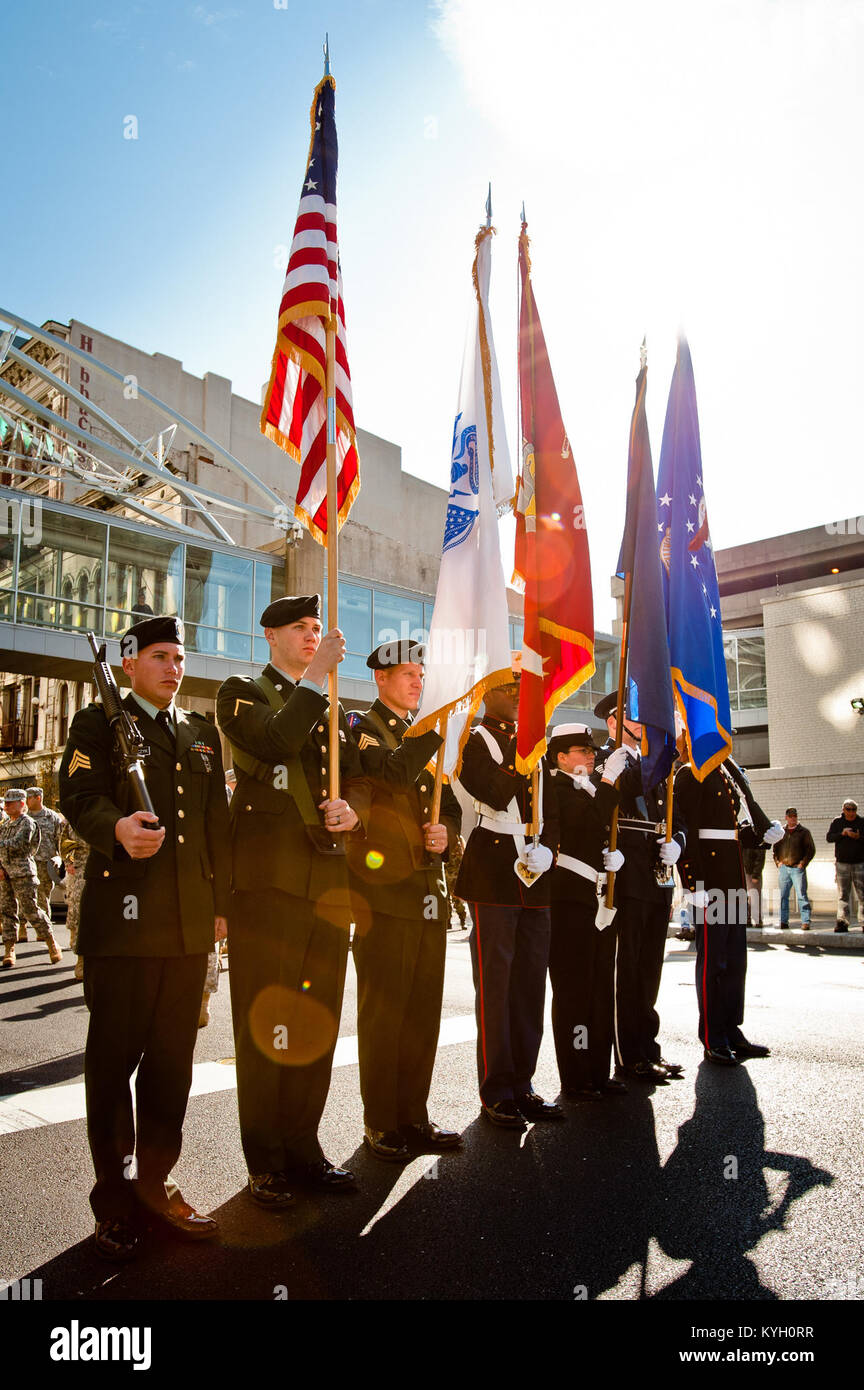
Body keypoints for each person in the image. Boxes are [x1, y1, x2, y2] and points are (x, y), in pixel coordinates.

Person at [216, 596, 440, 1208]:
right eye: (300, 628)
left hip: (327, 885)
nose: (313, 636)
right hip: (267, 883)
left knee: (314, 1024)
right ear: (270, 635)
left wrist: (353, 810)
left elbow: (367, 781)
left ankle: (304, 1148)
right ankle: (266, 1160)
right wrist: (316, 681)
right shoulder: (241, 691)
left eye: (317, 628)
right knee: (270, 1026)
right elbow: (270, 740)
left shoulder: (336, 711)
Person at [59, 614, 230, 1261]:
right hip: (124, 927)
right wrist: (116, 827)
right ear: (129, 663)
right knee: (112, 1068)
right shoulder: (97, 723)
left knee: (170, 1070)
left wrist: (220, 911)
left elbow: (214, 824)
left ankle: (158, 1186)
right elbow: (75, 793)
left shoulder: (198, 731)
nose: (173, 667)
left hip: (187, 930)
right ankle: (116, 1198)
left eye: (179, 657)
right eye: (160, 656)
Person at [347, 640, 462, 1162]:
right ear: (380, 679)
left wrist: (446, 833)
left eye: (421, 673)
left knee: (421, 1013)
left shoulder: (421, 736)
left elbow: (450, 806)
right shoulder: (362, 728)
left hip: (428, 893)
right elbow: (390, 773)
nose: (418, 682)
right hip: (385, 896)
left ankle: (414, 1114)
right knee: (385, 1013)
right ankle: (381, 1121)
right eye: (409, 674)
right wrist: (433, 727)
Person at [454, 666, 563, 1129]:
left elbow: (551, 809)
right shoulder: (474, 740)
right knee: (495, 987)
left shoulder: (531, 743)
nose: (520, 695)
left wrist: (551, 851)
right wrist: (524, 751)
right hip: (494, 867)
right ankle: (496, 1088)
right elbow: (495, 793)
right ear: (485, 693)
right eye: (510, 687)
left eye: (523, 688)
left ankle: (524, 1081)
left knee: (529, 983)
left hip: (534, 872)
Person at [593, 693, 687, 1083]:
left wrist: (677, 841)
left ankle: (648, 1047)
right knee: (626, 967)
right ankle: (628, 1054)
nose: (643, 724)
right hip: (626, 874)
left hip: (656, 872)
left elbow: (675, 815)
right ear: (613, 724)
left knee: (650, 967)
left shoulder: (658, 763)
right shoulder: (604, 762)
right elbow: (600, 808)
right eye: (633, 718)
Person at [675, 753, 784, 1065]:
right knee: (714, 962)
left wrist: (762, 836)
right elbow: (688, 831)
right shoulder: (691, 773)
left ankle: (732, 1030)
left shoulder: (727, 774)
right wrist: (693, 883)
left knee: (735, 962)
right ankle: (713, 1036)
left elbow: (731, 831)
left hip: (732, 880)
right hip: (710, 883)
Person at [546, 723, 630, 1100]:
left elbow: (603, 826)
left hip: (598, 895)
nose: (591, 755)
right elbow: (587, 821)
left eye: (591, 749)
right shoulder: (555, 787)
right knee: (574, 989)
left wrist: (615, 856)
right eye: (582, 750)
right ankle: (576, 1074)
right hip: (570, 899)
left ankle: (599, 1069)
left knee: (600, 985)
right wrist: (610, 783)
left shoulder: (591, 788)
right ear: (562, 757)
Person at [0, 790, 63, 967]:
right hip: (6, 874)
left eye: (10, 803)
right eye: (6, 803)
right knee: (7, 912)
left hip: (23, 874)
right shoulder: (5, 825)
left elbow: (19, 844)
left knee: (31, 910)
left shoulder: (28, 823)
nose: (6, 806)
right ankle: (9, 950)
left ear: (21, 804)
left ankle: (51, 941)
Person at [24, 786, 66, 928]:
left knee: (43, 896)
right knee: (24, 895)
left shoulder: (52, 816)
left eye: (29, 797)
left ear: (38, 798)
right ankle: (23, 928)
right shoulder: (24, 818)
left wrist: (60, 859)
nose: (27, 801)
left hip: (45, 863)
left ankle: (44, 929)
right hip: (27, 862)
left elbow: (60, 839)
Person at [773, 808, 815, 930]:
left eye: (794, 816)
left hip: (797, 868)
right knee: (783, 896)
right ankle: (783, 921)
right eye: (790, 816)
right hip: (784, 868)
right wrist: (778, 863)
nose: (793, 818)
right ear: (786, 817)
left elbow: (810, 849)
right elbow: (775, 849)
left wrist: (802, 863)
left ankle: (805, 921)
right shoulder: (781, 832)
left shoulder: (804, 832)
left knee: (801, 895)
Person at [826, 797, 864, 933]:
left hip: (859, 862)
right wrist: (842, 834)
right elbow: (829, 838)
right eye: (848, 809)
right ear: (843, 810)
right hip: (842, 863)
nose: (851, 812)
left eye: (854, 809)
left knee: (862, 894)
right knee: (843, 894)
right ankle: (842, 922)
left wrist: (857, 837)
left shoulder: (861, 822)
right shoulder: (837, 822)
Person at [59, 820, 89, 981]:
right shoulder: (73, 818)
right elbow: (64, 843)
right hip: (80, 870)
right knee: (79, 912)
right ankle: (81, 959)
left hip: (107, 868)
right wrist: (69, 862)